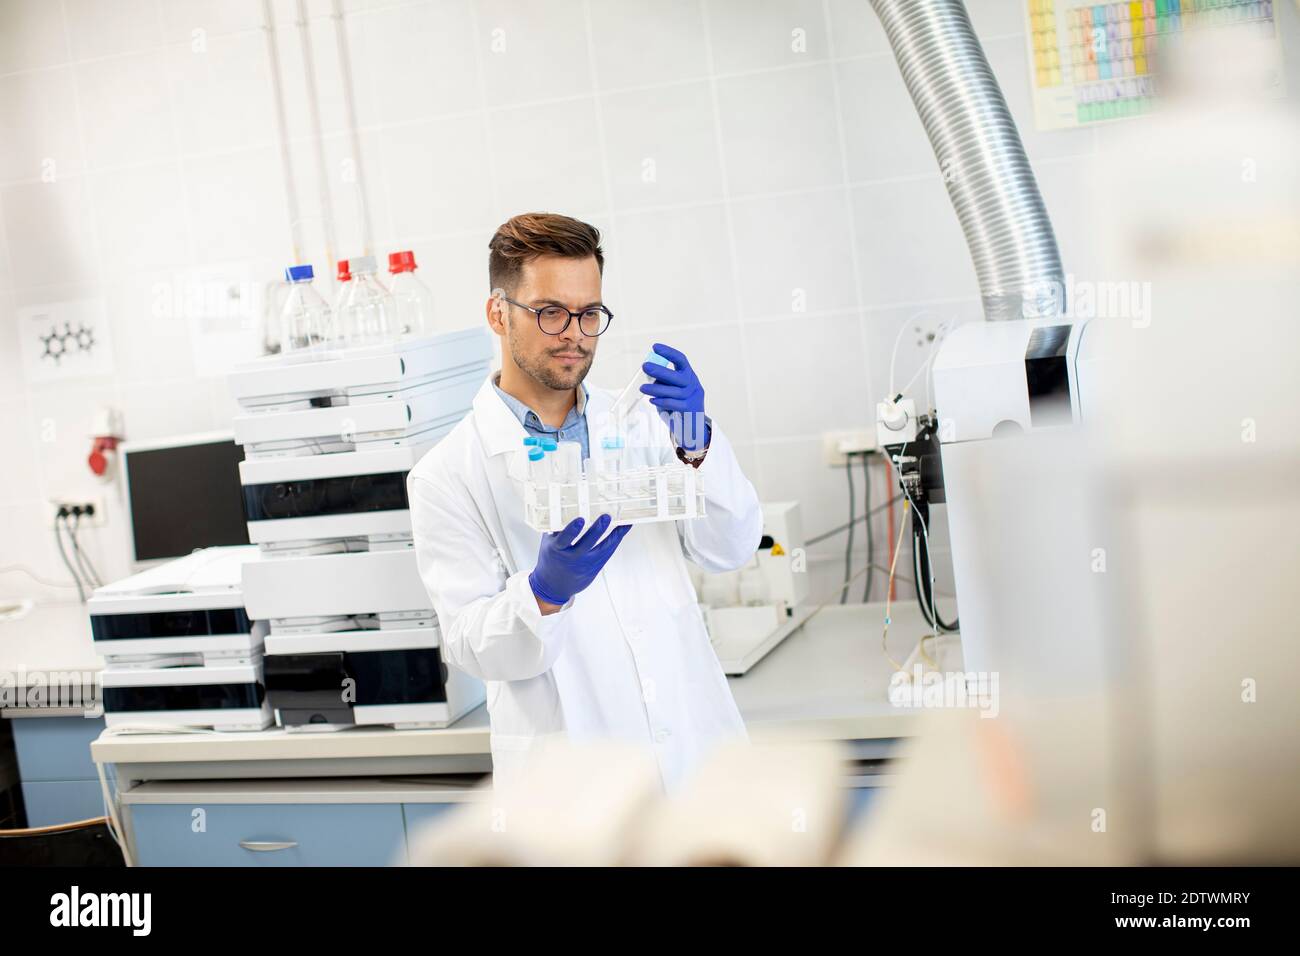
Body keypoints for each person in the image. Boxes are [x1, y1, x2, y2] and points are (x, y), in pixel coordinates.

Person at [407, 212, 763, 790]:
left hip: (695, 760)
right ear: (498, 313)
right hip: (572, 785)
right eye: (550, 312)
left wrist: (698, 445)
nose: (574, 332)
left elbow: (731, 547)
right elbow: (471, 645)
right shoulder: (447, 474)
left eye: (589, 313)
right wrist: (543, 595)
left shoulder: (646, 422)